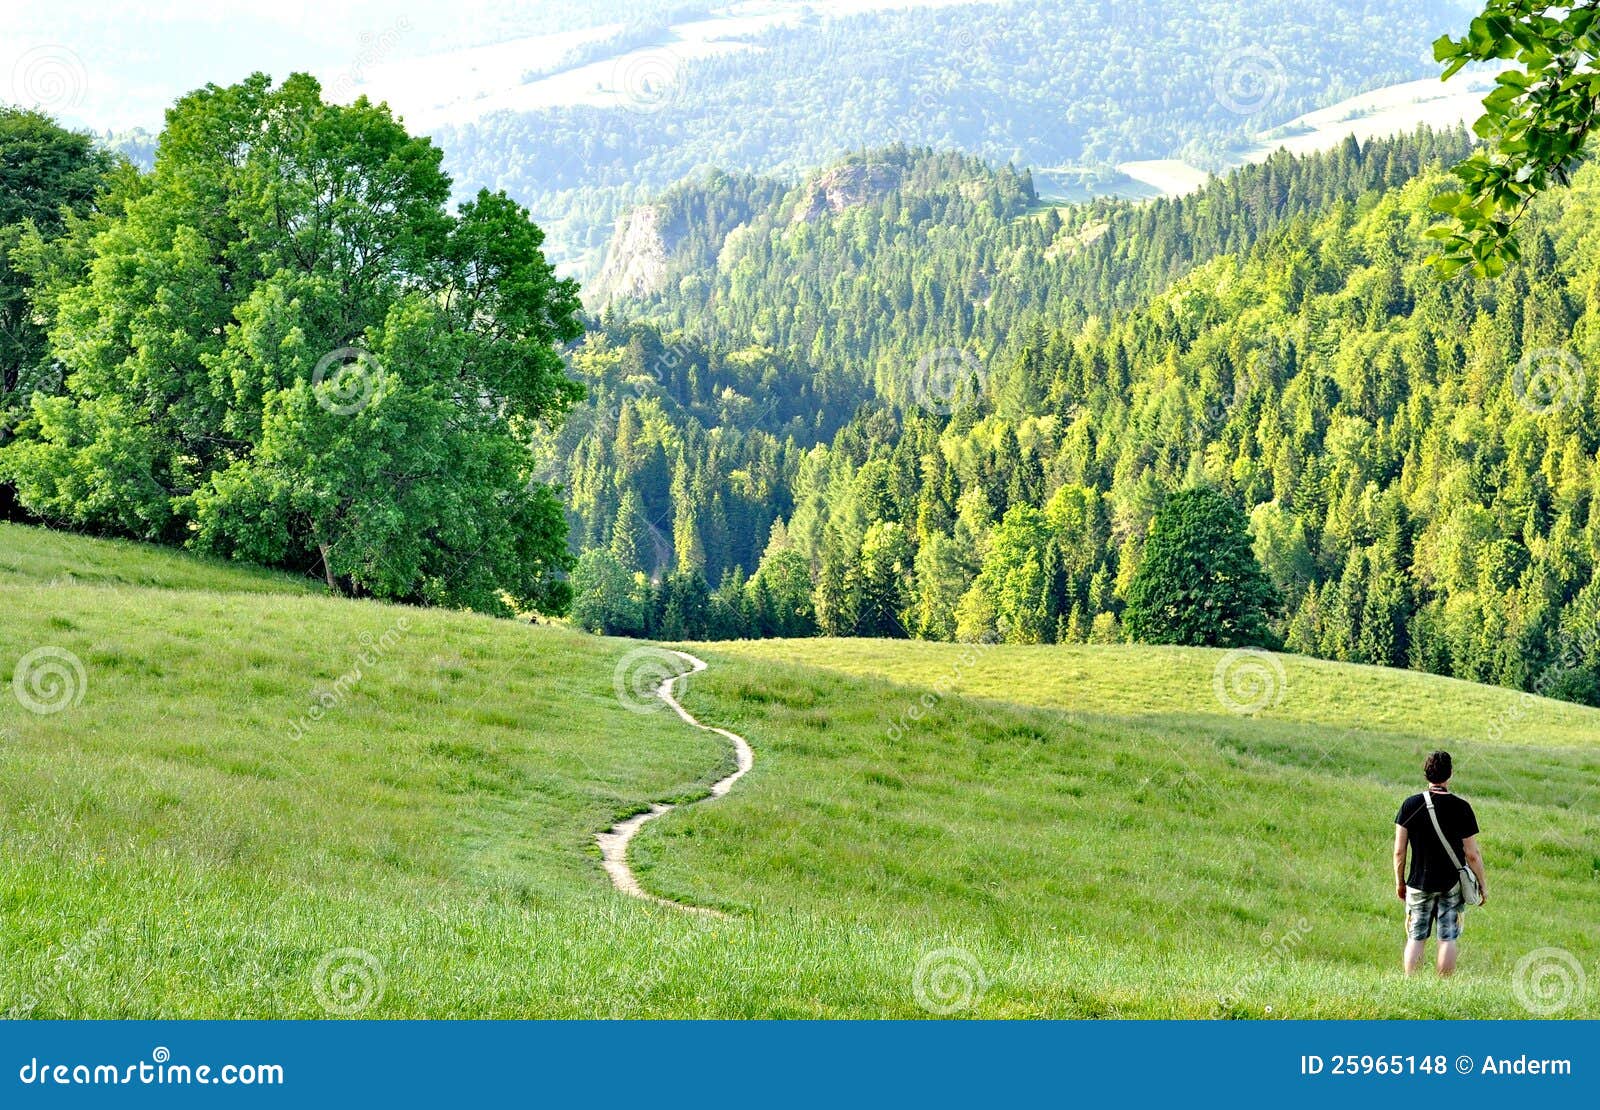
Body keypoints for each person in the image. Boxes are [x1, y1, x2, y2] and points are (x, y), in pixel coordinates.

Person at [1392, 750, 1487, 977]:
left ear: (1426, 774)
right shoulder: (1462, 807)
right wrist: (1482, 885)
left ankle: (1411, 983)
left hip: (1418, 882)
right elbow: (1472, 854)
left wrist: (1400, 882)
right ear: (1450, 774)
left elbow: (1399, 851)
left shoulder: (1410, 805)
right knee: (1447, 937)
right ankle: (1443, 985)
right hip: (1451, 883)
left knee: (1416, 937)